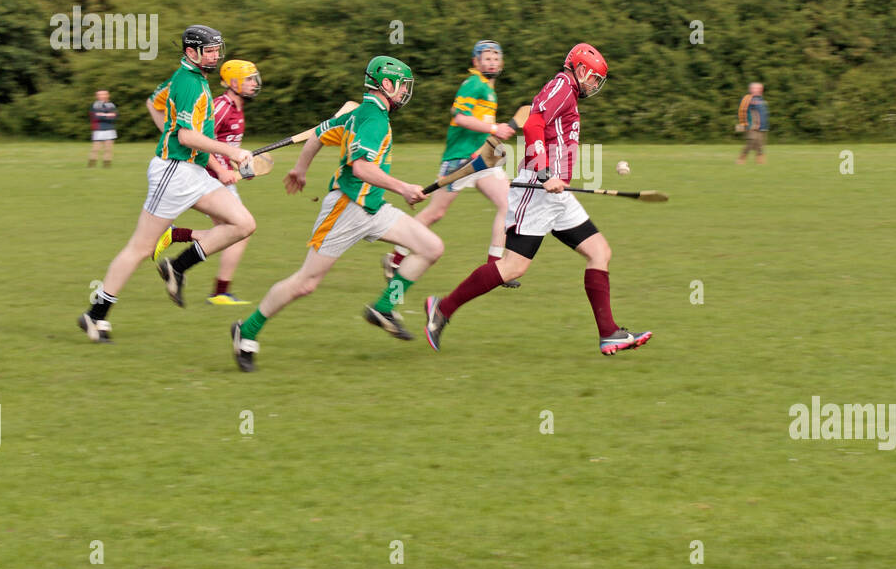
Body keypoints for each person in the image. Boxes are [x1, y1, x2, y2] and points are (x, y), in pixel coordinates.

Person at [423, 43, 652, 357]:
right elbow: (532, 125)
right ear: (581, 69)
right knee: (513, 267)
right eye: (594, 78)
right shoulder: (561, 86)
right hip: (539, 188)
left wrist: (554, 178)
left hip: (558, 193)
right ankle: (442, 309)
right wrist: (545, 174)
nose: (595, 85)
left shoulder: (567, 91)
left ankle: (609, 333)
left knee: (599, 251)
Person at [230, 56, 442, 372]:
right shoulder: (373, 119)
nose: (404, 93)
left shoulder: (357, 113)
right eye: (402, 87)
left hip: (372, 206)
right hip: (345, 208)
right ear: (387, 85)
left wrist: (301, 169)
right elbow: (361, 167)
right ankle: (246, 331)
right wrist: (404, 187)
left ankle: (385, 307)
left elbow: (317, 134)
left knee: (430, 248)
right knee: (305, 283)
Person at [77, 25, 256, 343]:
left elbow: (154, 103)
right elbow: (186, 136)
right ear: (192, 52)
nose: (216, 55)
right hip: (173, 173)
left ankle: (178, 266)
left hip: (194, 172)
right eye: (210, 50)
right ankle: (95, 316)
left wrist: (211, 160)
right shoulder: (188, 83)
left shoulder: (191, 78)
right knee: (140, 247)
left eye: (218, 49)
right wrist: (231, 153)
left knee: (243, 223)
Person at [382, 40, 519, 288]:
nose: (491, 61)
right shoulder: (473, 84)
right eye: (486, 57)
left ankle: (494, 267)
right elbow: (459, 116)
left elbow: (481, 127)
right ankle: (394, 258)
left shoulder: (489, 90)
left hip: (482, 158)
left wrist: (493, 141)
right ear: (475, 62)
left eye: (495, 57)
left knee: (508, 204)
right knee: (436, 213)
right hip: (460, 159)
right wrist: (494, 128)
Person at [150, 59, 262, 305]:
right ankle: (216, 288)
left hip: (220, 176)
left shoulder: (237, 108)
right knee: (236, 231)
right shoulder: (221, 106)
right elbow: (199, 141)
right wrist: (221, 170)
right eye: (249, 79)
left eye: (255, 79)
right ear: (233, 83)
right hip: (208, 177)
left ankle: (179, 246)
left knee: (234, 231)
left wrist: (240, 166)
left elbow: (225, 146)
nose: (254, 84)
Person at [736, 82, 768, 164]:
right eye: (755, 88)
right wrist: (743, 124)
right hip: (751, 126)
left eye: (759, 88)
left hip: (762, 127)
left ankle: (760, 160)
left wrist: (764, 125)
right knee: (751, 142)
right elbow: (742, 111)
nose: (758, 90)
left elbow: (763, 114)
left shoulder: (761, 100)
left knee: (760, 144)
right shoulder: (747, 98)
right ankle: (742, 158)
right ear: (750, 89)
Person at [88, 90, 117, 167]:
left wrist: (102, 114)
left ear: (108, 95)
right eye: (100, 95)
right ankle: (91, 166)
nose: (102, 96)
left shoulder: (111, 105)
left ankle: (106, 166)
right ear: (97, 96)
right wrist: (107, 114)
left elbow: (114, 117)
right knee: (95, 149)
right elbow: (96, 117)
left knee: (108, 149)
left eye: (104, 94)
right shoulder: (94, 105)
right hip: (98, 129)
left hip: (110, 129)